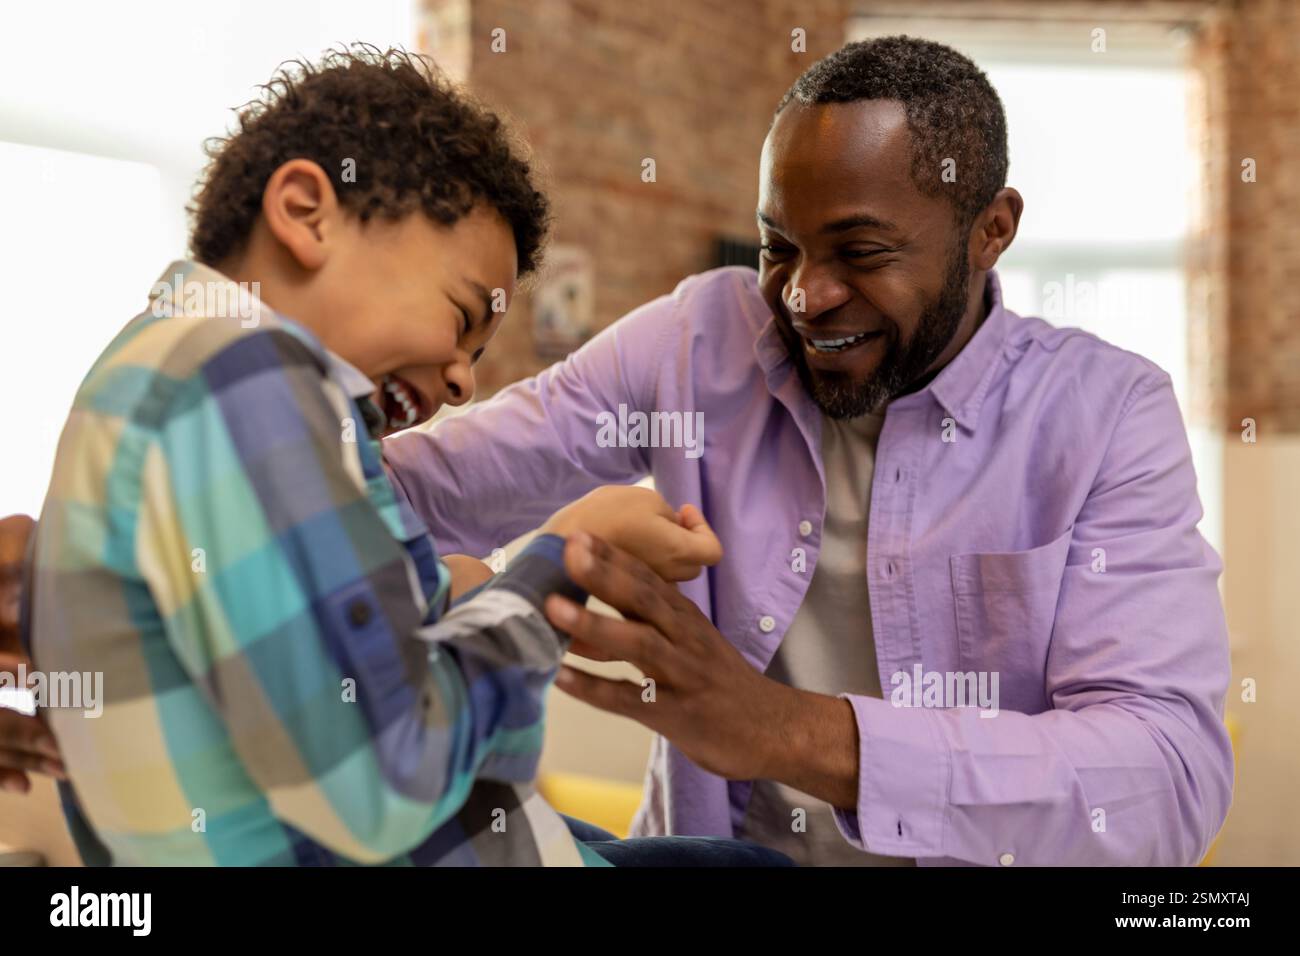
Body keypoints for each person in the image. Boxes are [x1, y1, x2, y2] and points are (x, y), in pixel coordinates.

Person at [4, 36, 1234, 867]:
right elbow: (397, 493)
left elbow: (1169, 772)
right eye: (775, 246)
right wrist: (96, 562)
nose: (803, 296)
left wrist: (784, 729)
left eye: (858, 249)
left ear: (991, 228)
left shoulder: (1106, 414)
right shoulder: (702, 340)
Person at [12, 46, 755, 867]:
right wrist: (562, 565)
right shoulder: (245, 377)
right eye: (462, 315)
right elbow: (389, 778)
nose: (465, 380)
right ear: (305, 212)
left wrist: (459, 598)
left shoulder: (155, 375)